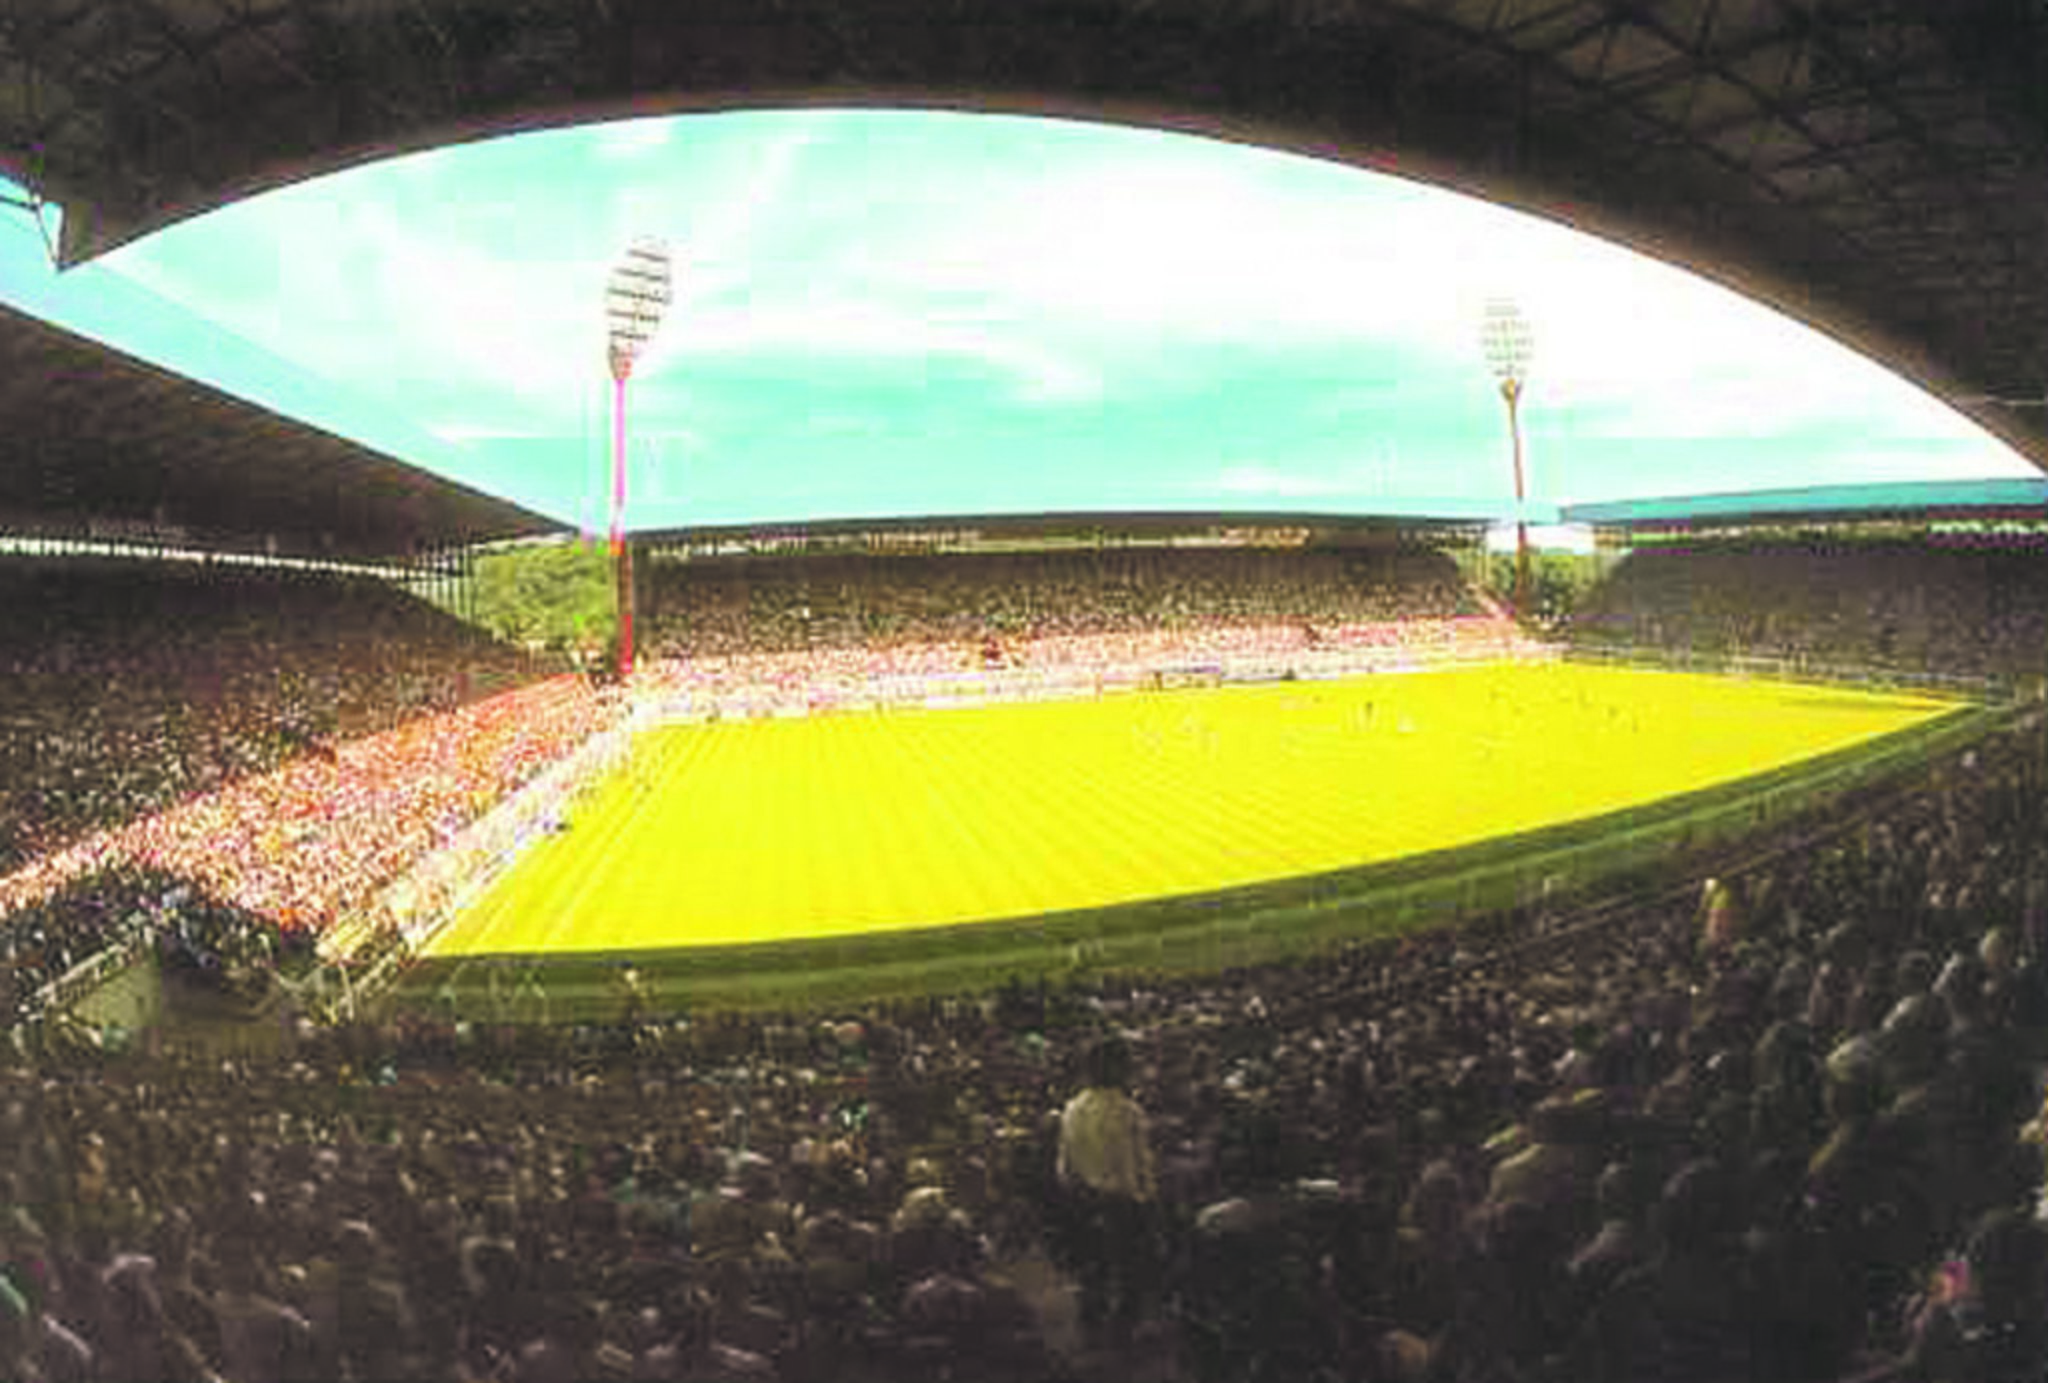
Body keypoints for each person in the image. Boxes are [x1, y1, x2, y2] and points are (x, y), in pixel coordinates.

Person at [1055, 1032, 1157, 1346]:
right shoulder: (1126, 1110)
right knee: (1131, 1272)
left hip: (1083, 1199)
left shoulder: (1072, 1107)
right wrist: (1145, 1201)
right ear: (1115, 1068)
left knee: (1093, 1269)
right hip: (1121, 1203)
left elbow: (1064, 1166)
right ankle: (1125, 1334)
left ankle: (1093, 1328)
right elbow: (1134, 1168)